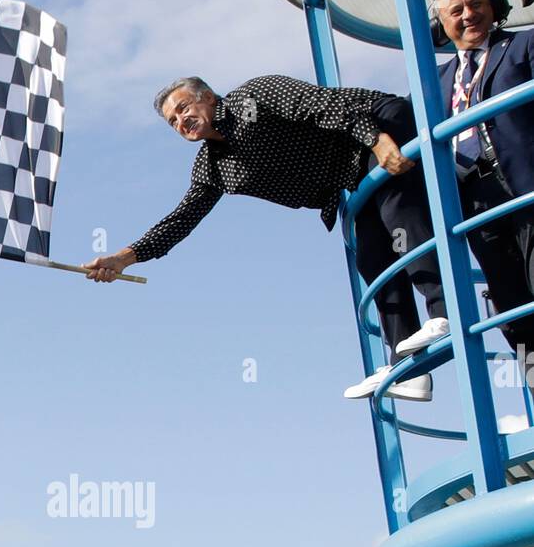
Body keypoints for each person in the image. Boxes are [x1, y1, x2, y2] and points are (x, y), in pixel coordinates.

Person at [84, 74, 445, 401]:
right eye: (173, 121)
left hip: (376, 122)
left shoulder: (252, 98)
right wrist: (123, 258)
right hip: (350, 169)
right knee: (371, 257)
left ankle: (444, 312)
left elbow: (325, 106)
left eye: (184, 108)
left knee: (398, 217)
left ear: (208, 97)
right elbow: (181, 219)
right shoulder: (211, 167)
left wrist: (377, 139)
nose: (182, 121)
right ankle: (408, 367)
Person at [397, 0, 534, 368]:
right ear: (442, 24)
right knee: (512, 305)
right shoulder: (433, 83)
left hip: (526, 182)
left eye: (476, 4)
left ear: (494, 7)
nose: (468, 14)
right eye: (456, 11)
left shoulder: (524, 44)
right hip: (475, 200)